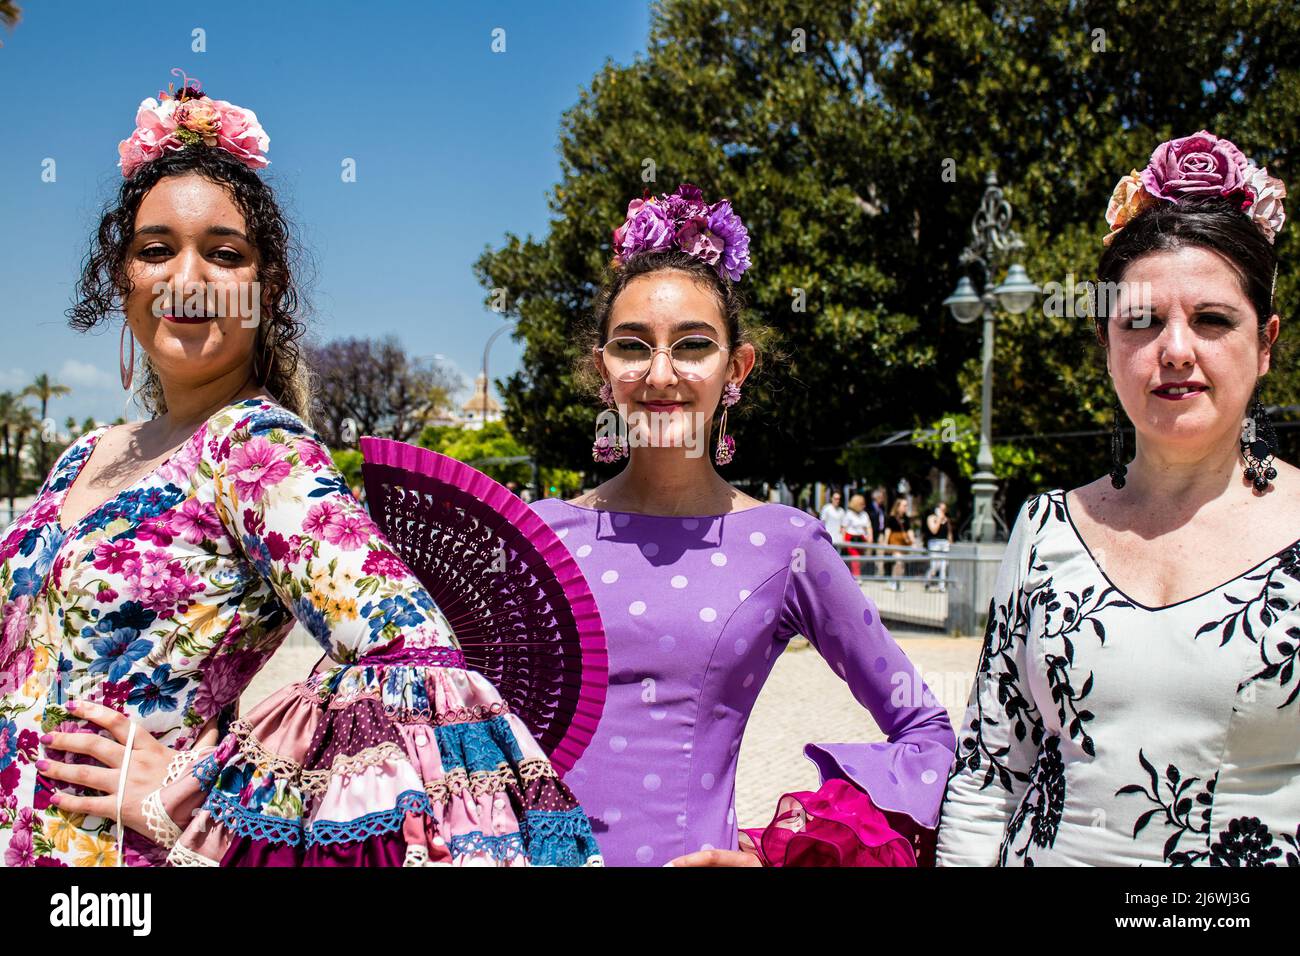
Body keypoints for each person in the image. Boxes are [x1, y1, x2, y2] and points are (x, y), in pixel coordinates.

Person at [0, 86, 599, 867]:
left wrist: (183, 785)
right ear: (123, 281)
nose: (186, 276)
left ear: (267, 285)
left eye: (223, 253)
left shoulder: (256, 450)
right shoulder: (86, 454)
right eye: (155, 250)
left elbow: (411, 658)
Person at [531, 184, 955, 866]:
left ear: (736, 368)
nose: (660, 373)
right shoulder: (529, 535)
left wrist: (777, 857)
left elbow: (927, 732)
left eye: (693, 345)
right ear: (602, 369)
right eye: (632, 346)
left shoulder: (785, 546)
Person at [938, 131, 1300, 866]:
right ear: (1108, 345)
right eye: (1141, 321)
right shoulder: (1044, 530)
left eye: (1211, 319)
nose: (1174, 349)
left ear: (1264, 344)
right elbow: (987, 777)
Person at [884, 498, 915, 591]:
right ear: (898, 507)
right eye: (904, 505)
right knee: (898, 561)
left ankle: (898, 582)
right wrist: (886, 542)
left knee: (901, 564)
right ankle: (894, 582)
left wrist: (913, 542)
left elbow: (909, 530)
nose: (906, 507)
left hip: (903, 543)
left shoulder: (906, 518)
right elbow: (888, 530)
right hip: (895, 542)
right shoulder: (892, 518)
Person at [842, 493, 874, 579]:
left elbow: (868, 526)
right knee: (856, 558)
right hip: (851, 538)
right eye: (861, 504)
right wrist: (843, 541)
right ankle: (857, 577)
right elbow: (844, 528)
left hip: (861, 538)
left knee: (861, 559)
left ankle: (853, 574)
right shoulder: (849, 514)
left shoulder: (864, 514)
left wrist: (870, 537)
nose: (863, 505)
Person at [924, 502, 953, 591]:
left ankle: (942, 586)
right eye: (941, 509)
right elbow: (934, 531)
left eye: (944, 509)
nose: (943, 511)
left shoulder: (946, 520)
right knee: (934, 566)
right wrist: (939, 519)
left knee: (944, 566)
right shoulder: (931, 518)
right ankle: (927, 582)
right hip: (934, 543)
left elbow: (949, 533)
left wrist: (951, 542)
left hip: (944, 543)